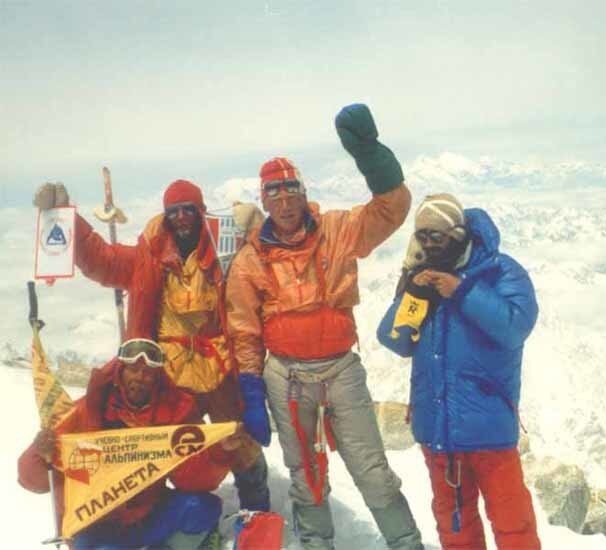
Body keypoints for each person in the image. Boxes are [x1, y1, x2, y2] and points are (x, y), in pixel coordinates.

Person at [225, 104, 423, 550]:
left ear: (302, 191)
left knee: (370, 467)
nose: (283, 199)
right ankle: (316, 543)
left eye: (289, 189)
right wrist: (252, 390)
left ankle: (406, 543)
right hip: (287, 377)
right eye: (273, 192)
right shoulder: (251, 259)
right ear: (264, 200)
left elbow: (392, 209)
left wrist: (370, 154)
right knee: (305, 473)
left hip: (340, 370)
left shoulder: (337, 230)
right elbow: (244, 331)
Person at [32, 179, 271, 512]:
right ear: (167, 216)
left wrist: (255, 224)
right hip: (168, 374)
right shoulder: (149, 258)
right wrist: (66, 219)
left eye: (190, 210)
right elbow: (102, 258)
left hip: (219, 367)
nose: (183, 217)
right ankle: (166, 512)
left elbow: (267, 256)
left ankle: (255, 506)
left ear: (201, 212)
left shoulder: (225, 250)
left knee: (238, 437)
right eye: (175, 211)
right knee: (173, 448)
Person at [377, 193, 542, 550]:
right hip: (438, 428)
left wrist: (463, 290)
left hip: (487, 426)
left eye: (438, 236)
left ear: (459, 233)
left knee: (513, 522)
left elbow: (514, 327)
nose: (430, 244)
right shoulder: (421, 278)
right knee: (454, 524)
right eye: (422, 236)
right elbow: (395, 341)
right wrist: (412, 293)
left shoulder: (500, 271)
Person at [17, 338, 239, 549]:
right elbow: (32, 480)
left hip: (145, 515)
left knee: (202, 508)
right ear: (119, 373)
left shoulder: (172, 415)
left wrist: (219, 452)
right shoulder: (84, 413)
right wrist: (40, 453)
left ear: (157, 379)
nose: (140, 377)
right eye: (133, 369)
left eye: (148, 373)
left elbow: (191, 480)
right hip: (94, 524)